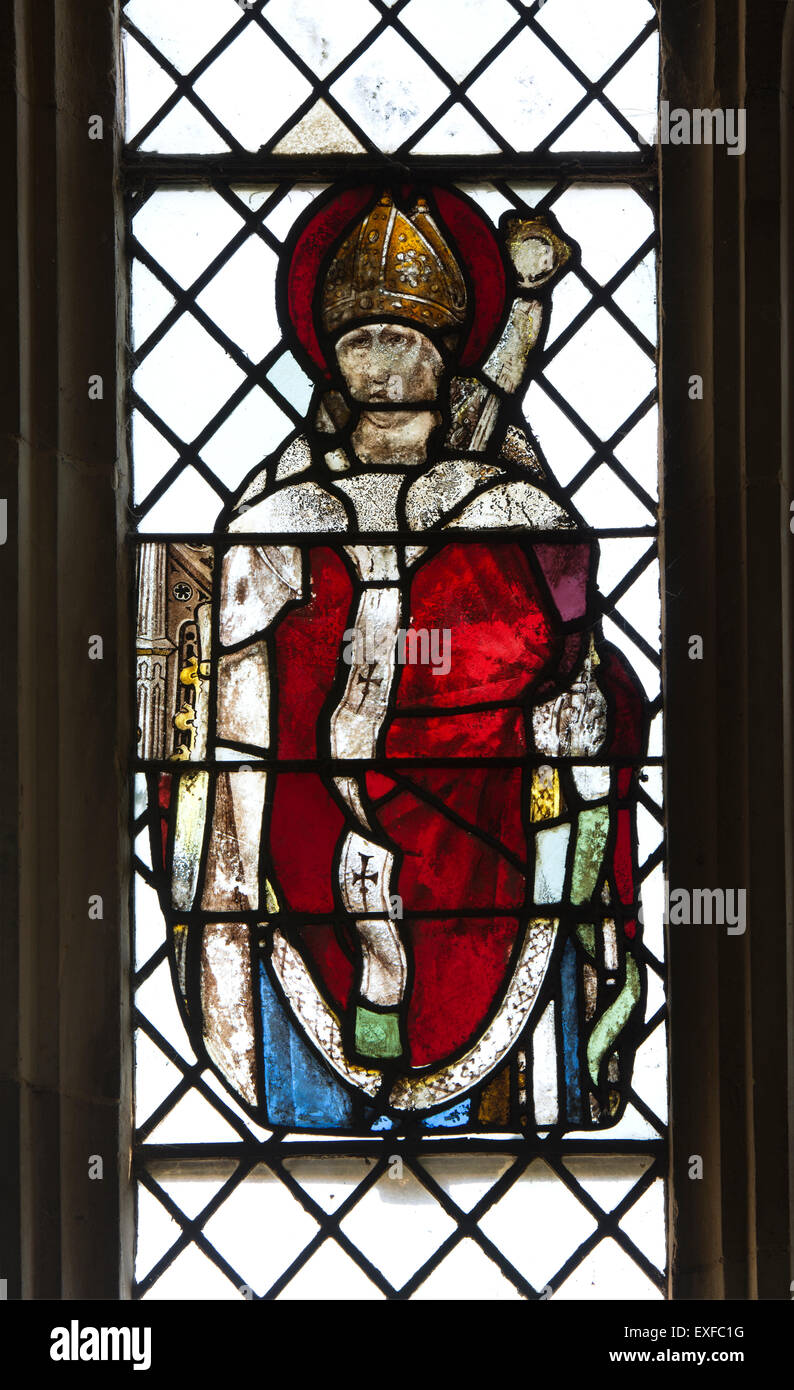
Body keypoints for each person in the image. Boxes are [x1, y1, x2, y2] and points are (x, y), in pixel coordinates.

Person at [161, 187, 646, 1131]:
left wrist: (572, 703)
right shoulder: (280, 506)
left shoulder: (504, 493)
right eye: (361, 342)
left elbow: (565, 632)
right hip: (310, 829)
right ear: (329, 360)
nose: (382, 366)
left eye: (404, 340)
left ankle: (514, 1092)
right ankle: (318, 1091)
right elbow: (221, 661)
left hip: (483, 820)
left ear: (446, 352)